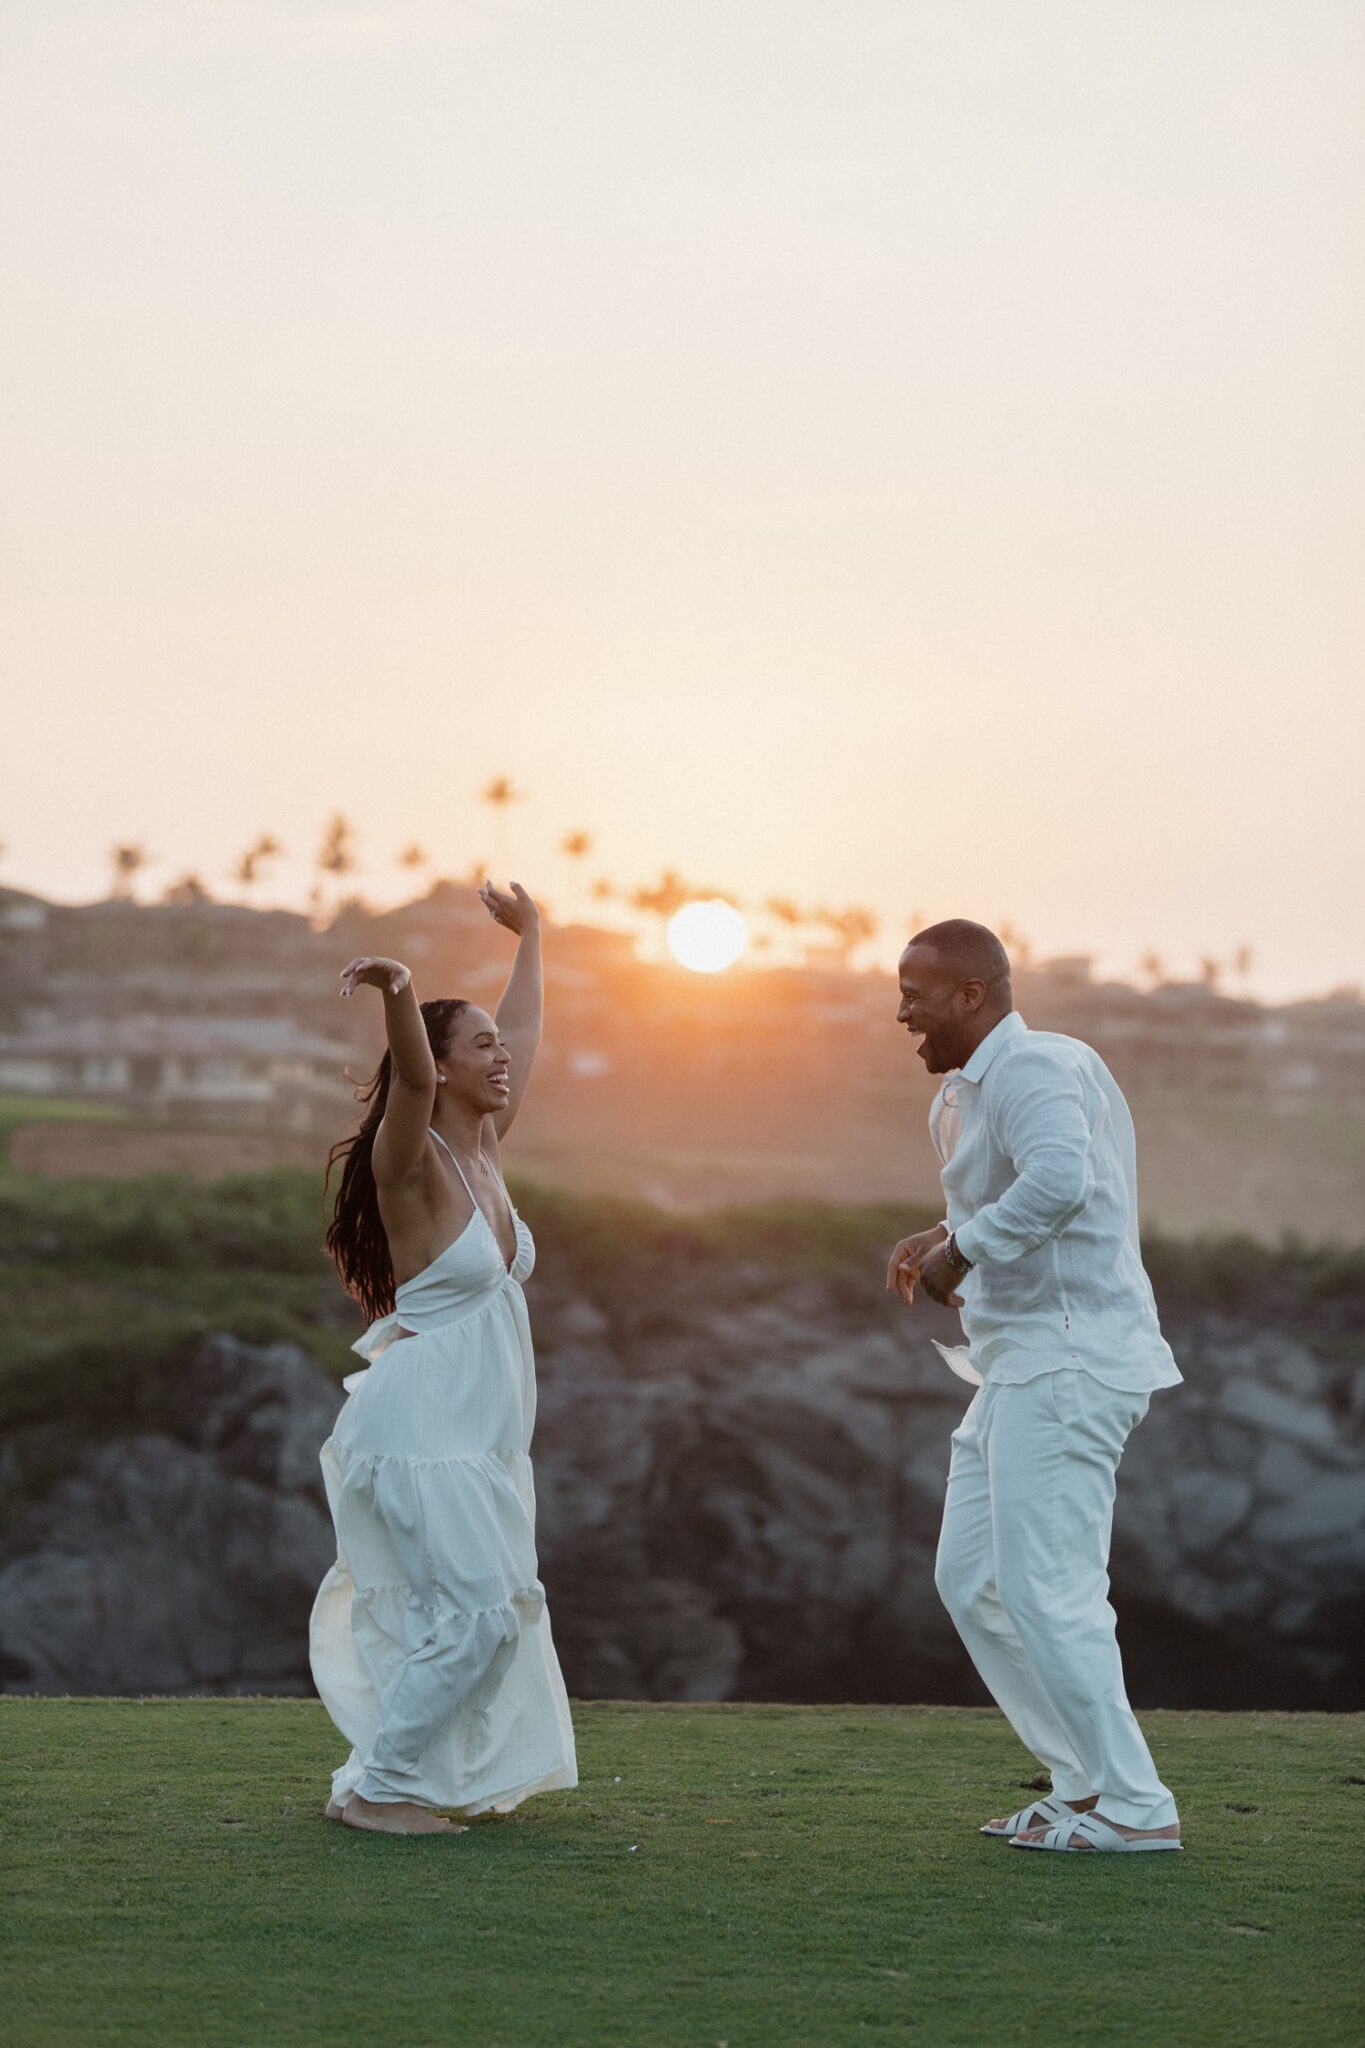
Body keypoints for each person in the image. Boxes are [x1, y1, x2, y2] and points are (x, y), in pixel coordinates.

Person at [886, 920, 1183, 1854]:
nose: (901, 1012)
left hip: (1070, 1359)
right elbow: (1004, 1194)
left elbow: (1061, 1179)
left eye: (917, 992)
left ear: (972, 994)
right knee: (971, 1579)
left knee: (1047, 1588)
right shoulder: (961, 1096)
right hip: (1021, 1363)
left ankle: (1136, 1809)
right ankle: (1085, 1783)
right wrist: (938, 1234)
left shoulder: (1034, 1069)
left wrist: (963, 1249)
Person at [309, 881, 577, 1836]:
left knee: (494, 1609)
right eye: (480, 1048)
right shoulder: (410, 1159)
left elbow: (527, 1034)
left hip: (478, 1432)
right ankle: (381, 1790)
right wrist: (400, 990)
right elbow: (414, 1082)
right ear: (440, 1064)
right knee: (477, 1616)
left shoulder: (486, 1148)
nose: (501, 1058)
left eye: (497, 1049)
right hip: (421, 1425)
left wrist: (535, 935)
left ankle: (429, 1776)